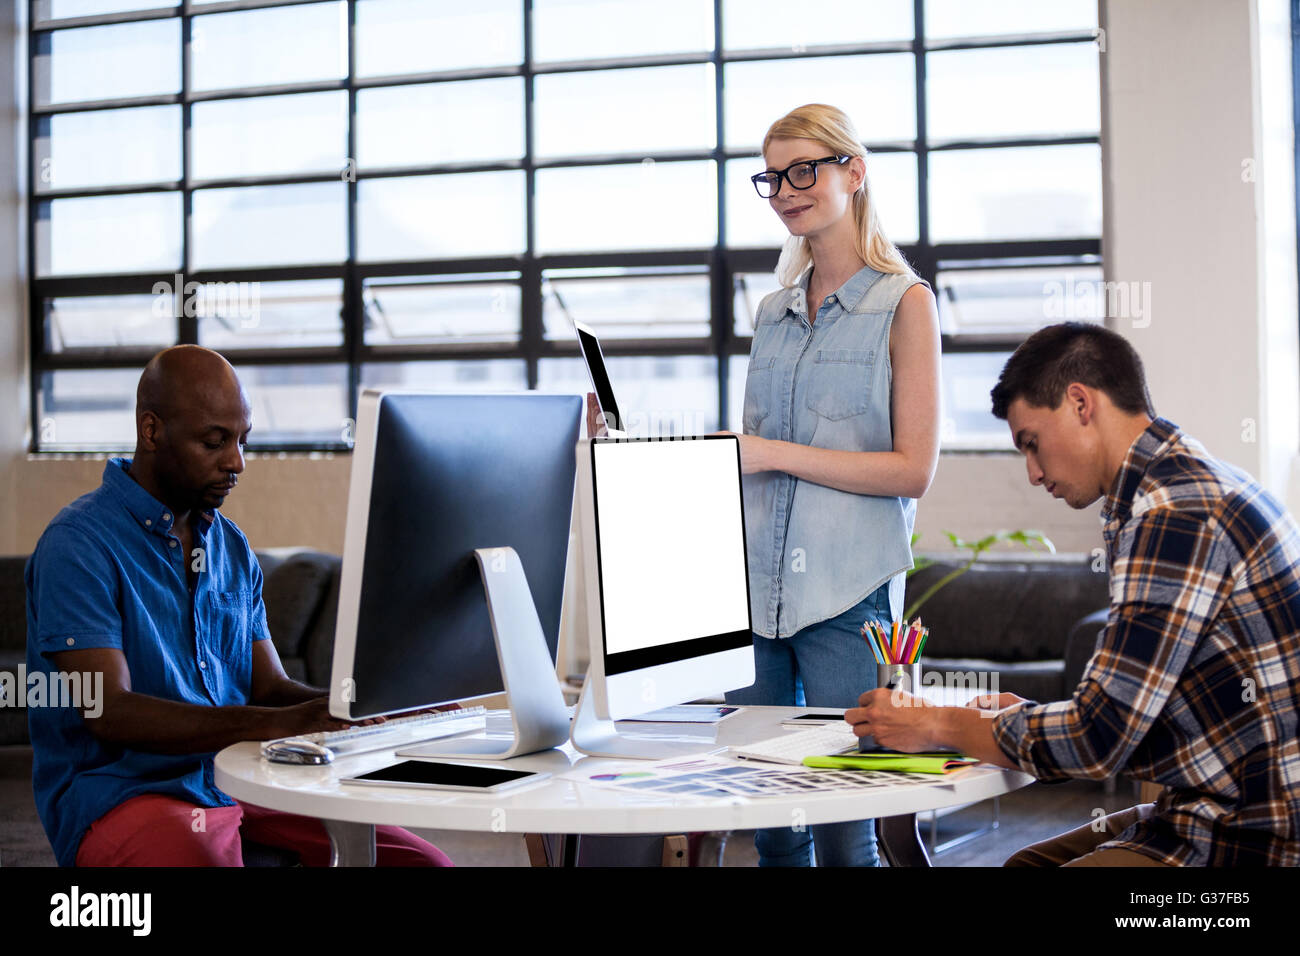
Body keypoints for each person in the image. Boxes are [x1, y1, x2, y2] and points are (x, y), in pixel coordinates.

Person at [846, 322, 1300, 866]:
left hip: (1249, 839)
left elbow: (1098, 741)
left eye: (1031, 444)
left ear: (1080, 403)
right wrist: (1018, 720)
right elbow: (1125, 713)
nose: (1034, 474)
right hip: (1212, 806)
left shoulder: (1175, 516)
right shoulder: (1179, 487)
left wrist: (940, 723)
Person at [26, 345, 452, 866]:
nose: (237, 462)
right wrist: (276, 726)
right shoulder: (78, 544)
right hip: (127, 794)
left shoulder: (230, 545)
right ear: (151, 430)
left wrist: (363, 710)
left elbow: (268, 688)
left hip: (246, 780)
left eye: (242, 440)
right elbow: (107, 710)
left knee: (422, 863)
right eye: (215, 441)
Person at [721, 103, 941, 867]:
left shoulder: (904, 305)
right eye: (773, 176)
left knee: (851, 828)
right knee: (773, 825)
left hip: (848, 598)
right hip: (757, 595)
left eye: (803, 170)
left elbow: (912, 468)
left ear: (854, 171)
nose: (786, 189)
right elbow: (748, 458)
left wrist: (774, 452)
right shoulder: (772, 314)